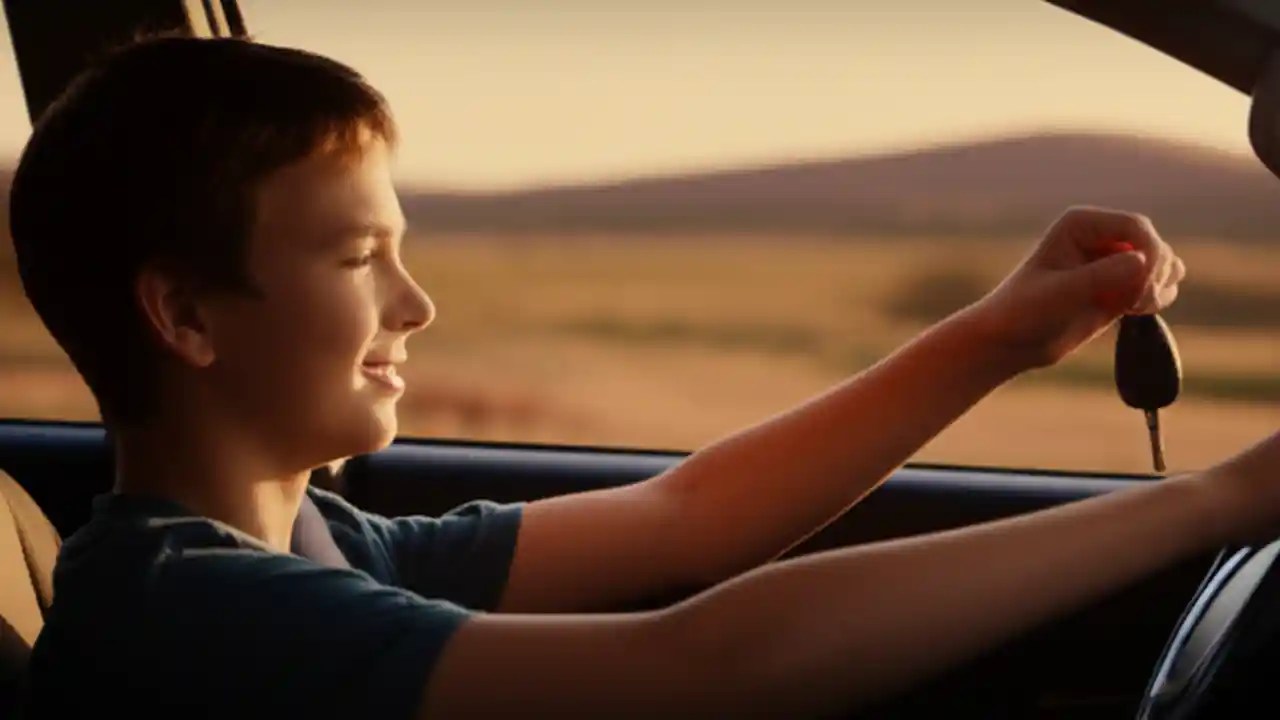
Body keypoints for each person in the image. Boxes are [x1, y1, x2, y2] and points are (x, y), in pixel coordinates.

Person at [8, 35, 1277, 719]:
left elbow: (687, 517)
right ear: (183, 313)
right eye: (357, 258)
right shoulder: (187, 616)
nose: (417, 304)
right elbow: (708, 668)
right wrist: (1214, 503)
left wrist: (996, 336)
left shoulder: (320, 543)